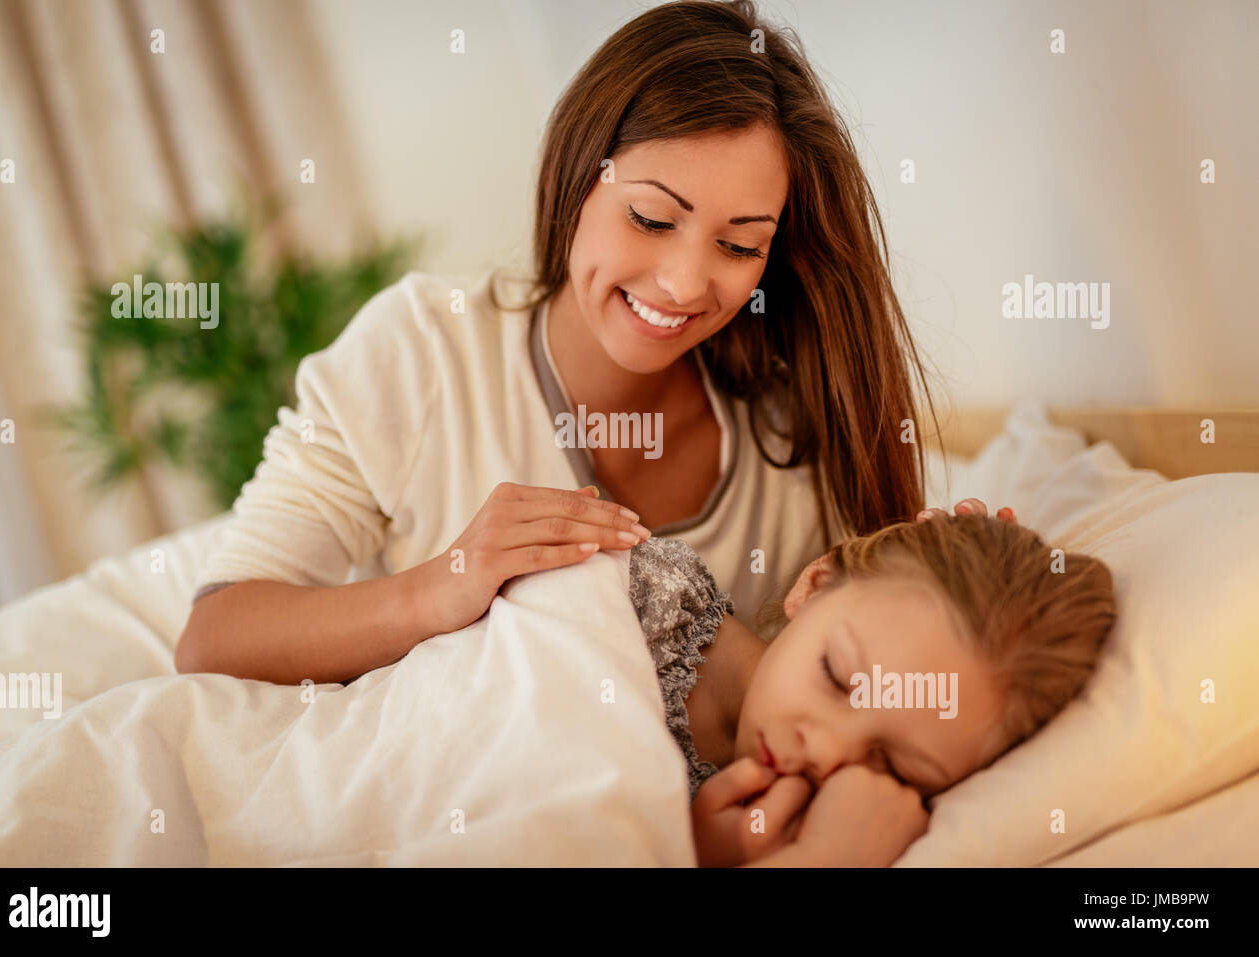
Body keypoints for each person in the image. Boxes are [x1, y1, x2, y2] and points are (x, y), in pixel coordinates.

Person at [176, 0, 1015, 685]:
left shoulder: (795, 431)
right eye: (651, 217)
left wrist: (947, 590)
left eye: (738, 244)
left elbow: (843, 695)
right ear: (578, 179)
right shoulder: (424, 351)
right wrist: (449, 583)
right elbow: (216, 636)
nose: (687, 284)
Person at [624, 511, 1116, 867]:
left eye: (891, 764)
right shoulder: (645, 603)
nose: (826, 750)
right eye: (838, 679)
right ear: (814, 584)